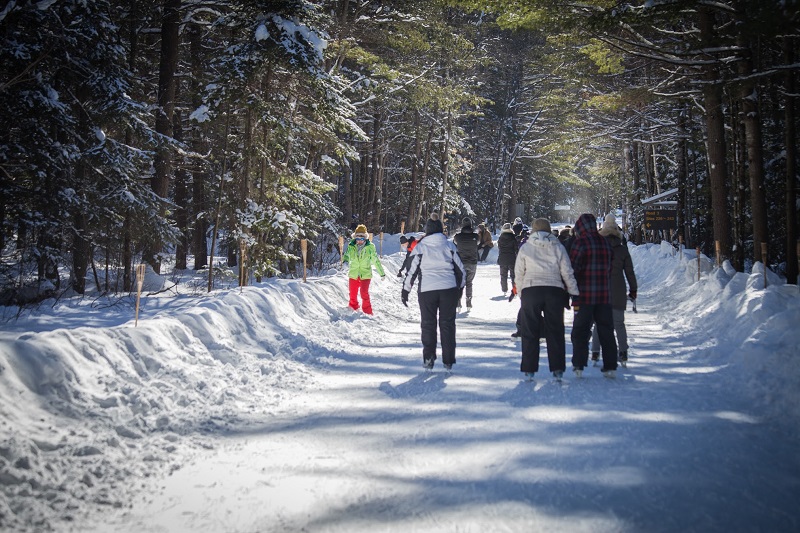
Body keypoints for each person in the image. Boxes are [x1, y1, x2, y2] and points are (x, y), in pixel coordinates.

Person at [515, 218, 580, 381]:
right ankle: (557, 369)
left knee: (529, 330)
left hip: (531, 290)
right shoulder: (558, 246)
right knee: (555, 330)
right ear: (550, 229)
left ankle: (529, 370)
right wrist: (573, 291)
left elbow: (519, 272)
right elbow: (567, 271)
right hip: (554, 291)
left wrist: (522, 292)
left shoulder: (526, 247)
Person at [401, 213, 466, 371]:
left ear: (428, 230)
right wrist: (459, 290)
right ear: (441, 230)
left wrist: (405, 291)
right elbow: (461, 271)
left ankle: (429, 357)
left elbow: (412, 271)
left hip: (427, 291)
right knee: (447, 325)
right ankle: (448, 360)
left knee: (428, 324)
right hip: (448, 289)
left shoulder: (421, 247)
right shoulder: (449, 246)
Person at [569, 213, 617, 377]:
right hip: (604, 295)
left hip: (585, 296)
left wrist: (572, 292)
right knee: (606, 331)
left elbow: (574, 269)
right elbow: (610, 266)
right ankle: (610, 365)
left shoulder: (580, 243)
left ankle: (579, 365)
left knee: (581, 331)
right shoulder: (605, 242)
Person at [590, 214, 638, 365]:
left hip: (599, 290)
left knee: (598, 323)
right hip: (617, 289)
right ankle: (623, 351)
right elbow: (629, 272)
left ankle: (596, 352)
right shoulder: (622, 250)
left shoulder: (597, 248)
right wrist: (633, 290)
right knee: (619, 323)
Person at [342, 224, 385, 314]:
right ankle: (353, 308)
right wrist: (345, 261)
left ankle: (367, 312)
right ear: (355, 238)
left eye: (362, 238)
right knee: (352, 294)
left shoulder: (370, 247)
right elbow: (346, 255)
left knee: (363, 293)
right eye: (357, 238)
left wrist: (382, 273)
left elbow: (375, 260)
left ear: (365, 238)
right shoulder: (351, 246)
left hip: (365, 274)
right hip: (354, 273)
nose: (360, 241)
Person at [452, 217, 479, 309]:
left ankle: (458, 302)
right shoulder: (476, 237)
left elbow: (454, 243)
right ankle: (469, 301)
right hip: (472, 263)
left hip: (461, 263)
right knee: (469, 282)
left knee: (459, 282)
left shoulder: (457, 237)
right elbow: (478, 243)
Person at [496, 222, 517, 295]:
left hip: (503, 258)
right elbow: (516, 248)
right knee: (513, 275)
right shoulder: (513, 237)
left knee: (503, 275)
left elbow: (499, 247)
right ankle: (514, 291)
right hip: (512, 258)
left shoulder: (501, 238)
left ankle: (504, 290)